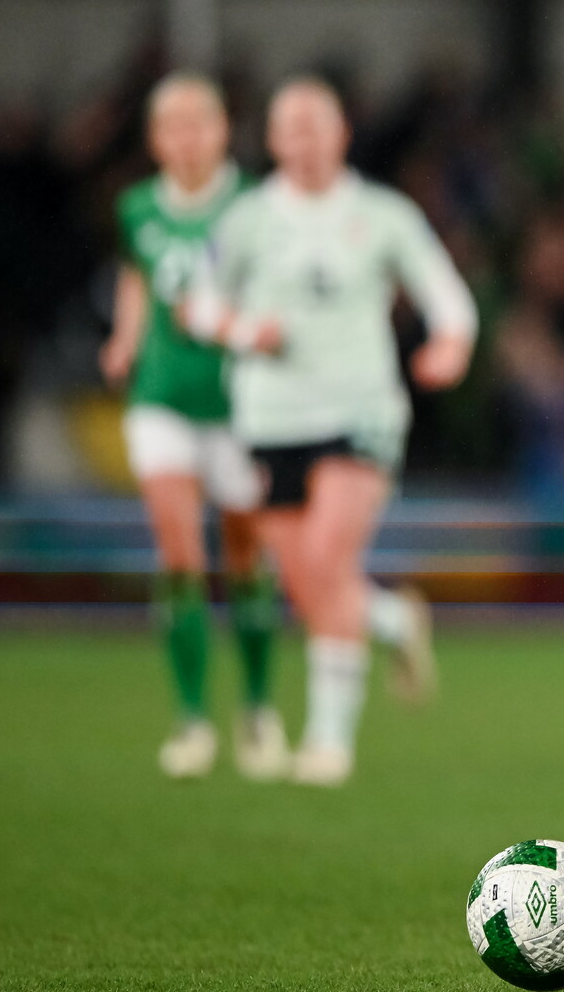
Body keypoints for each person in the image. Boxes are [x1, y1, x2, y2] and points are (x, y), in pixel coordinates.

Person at [189, 78, 474, 787]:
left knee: (324, 558)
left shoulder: (382, 214)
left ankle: (327, 739)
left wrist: (449, 345)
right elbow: (197, 304)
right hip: (271, 415)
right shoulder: (247, 219)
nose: (306, 138)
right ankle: (391, 620)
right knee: (307, 579)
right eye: (292, 126)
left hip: (360, 410)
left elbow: (448, 298)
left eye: (319, 124)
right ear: (273, 138)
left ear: (342, 133)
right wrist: (243, 330)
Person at [100, 73, 286, 780]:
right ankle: (191, 720)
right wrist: (125, 338)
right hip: (161, 399)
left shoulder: (255, 207)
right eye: (172, 125)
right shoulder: (137, 206)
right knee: (179, 554)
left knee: (245, 557)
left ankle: (259, 710)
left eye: (199, 122)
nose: (186, 136)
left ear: (221, 130)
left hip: (241, 405)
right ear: (155, 139)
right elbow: (137, 277)